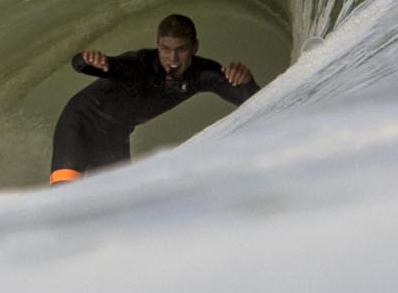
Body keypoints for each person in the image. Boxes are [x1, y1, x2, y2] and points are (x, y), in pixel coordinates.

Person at [47, 12, 256, 183]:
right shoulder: (139, 64)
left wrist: (245, 80)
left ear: (194, 47)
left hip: (114, 139)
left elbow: (255, 100)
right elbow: (81, 65)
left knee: (118, 208)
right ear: (157, 45)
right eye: (165, 49)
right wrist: (87, 59)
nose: (173, 59)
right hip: (81, 123)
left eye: (181, 49)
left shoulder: (202, 73)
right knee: (65, 196)